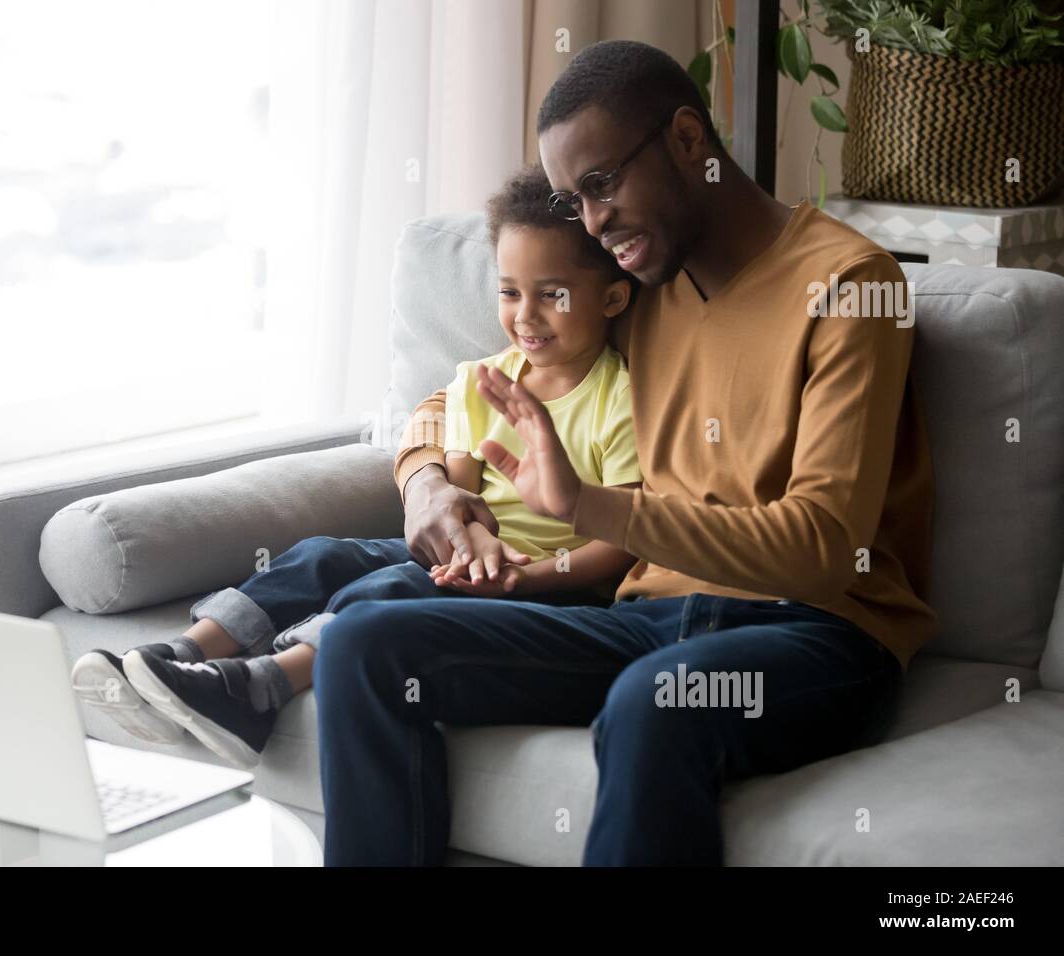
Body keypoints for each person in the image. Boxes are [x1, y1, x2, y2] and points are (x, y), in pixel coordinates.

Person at [312, 39, 936, 865]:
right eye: (577, 202)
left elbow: (825, 549)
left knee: (657, 699)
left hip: (814, 635)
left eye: (601, 185)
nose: (597, 224)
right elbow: (446, 399)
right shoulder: (645, 284)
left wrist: (589, 506)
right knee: (363, 645)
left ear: (687, 140)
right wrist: (425, 483)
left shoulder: (855, 287)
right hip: (643, 620)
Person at [71, 163, 643, 769]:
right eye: (509, 292)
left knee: (392, 587)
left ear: (612, 296)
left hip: (552, 590)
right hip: (466, 559)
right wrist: (467, 542)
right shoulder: (482, 382)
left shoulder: (620, 401)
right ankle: (173, 660)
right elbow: (459, 489)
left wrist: (525, 577)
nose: (525, 315)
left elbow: (623, 541)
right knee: (320, 555)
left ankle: (259, 689)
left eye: (550, 295)